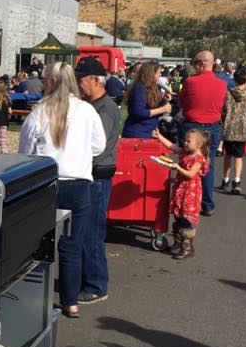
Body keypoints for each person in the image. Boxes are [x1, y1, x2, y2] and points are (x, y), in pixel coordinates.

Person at [19, 63, 106, 317]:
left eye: (45, 79)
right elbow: (99, 146)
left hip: (47, 183)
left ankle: (34, 299)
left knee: (38, 244)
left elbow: (25, 150)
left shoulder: (40, 111)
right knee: (72, 246)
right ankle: (70, 301)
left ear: (52, 82)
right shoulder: (86, 110)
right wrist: (79, 153)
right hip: (78, 184)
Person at [74, 57, 121, 305]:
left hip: (98, 175)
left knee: (92, 233)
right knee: (83, 232)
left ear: (95, 80)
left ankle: (96, 285)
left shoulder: (105, 109)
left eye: (81, 79)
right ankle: (86, 280)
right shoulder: (92, 106)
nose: (78, 83)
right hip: (89, 174)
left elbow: (96, 147)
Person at [178, 49, 227, 217]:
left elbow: (182, 102)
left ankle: (185, 200)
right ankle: (207, 204)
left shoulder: (190, 82)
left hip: (193, 125)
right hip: (213, 126)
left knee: (187, 163)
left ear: (200, 64)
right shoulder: (222, 84)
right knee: (208, 165)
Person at [152, 127, 210, 260]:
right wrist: (160, 136)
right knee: (178, 215)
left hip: (190, 191)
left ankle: (187, 248)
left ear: (199, 145)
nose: (185, 143)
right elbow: (172, 146)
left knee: (185, 218)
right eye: (185, 140)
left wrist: (177, 167)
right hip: (181, 188)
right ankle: (178, 242)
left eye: (188, 141)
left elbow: (191, 174)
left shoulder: (199, 158)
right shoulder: (185, 151)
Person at [218, 67, 246, 194]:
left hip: (229, 129)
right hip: (243, 130)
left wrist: (224, 119)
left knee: (227, 155)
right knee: (239, 157)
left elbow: (221, 110)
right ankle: (237, 182)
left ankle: (225, 180)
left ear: (235, 80)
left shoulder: (228, 94)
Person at [122, 61, 172, 138]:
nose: (160, 75)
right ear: (151, 74)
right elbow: (138, 112)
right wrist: (162, 109)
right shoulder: (139, 88)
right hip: (137, 133)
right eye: (158, 73)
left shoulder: (152, 88)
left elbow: (151, 107)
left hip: (148, 131)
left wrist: (164, 100)